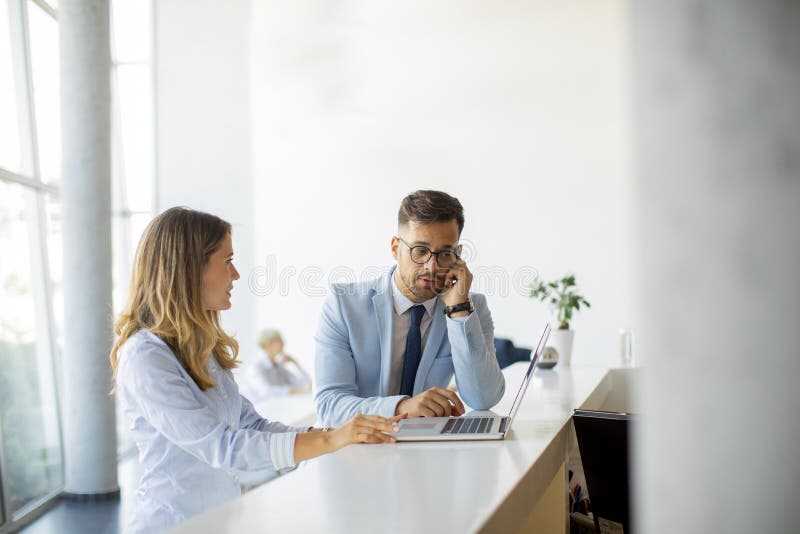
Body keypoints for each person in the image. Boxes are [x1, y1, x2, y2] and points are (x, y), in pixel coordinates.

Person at [110, 207, 403, 533]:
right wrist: (331, 440)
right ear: (191, 268)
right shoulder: (144, 358)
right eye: (227, 261)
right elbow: (225, 447)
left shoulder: (198, 348)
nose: (235, 275)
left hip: (219, 519)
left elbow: (251, 424)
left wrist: (335, 435)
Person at [315, 190, 505, 427]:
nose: (431, 266)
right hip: (359, 450)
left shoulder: (469, 307)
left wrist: (458, 311)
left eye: (445, 253)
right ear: (395, 248)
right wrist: (402, 407)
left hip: (425, 450)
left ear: (458, 255)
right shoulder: (343, 306)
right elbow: (329, 406)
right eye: (420, 251)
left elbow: (483, 398)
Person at [244, 329, 311, 400]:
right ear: (266, 345)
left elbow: (305, 384)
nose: (283, 344)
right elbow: (266, 393)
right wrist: (294, 391)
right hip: (261, 409)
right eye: (279, 340)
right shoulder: (255, 368)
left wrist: (295, 362)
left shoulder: (279, 367)